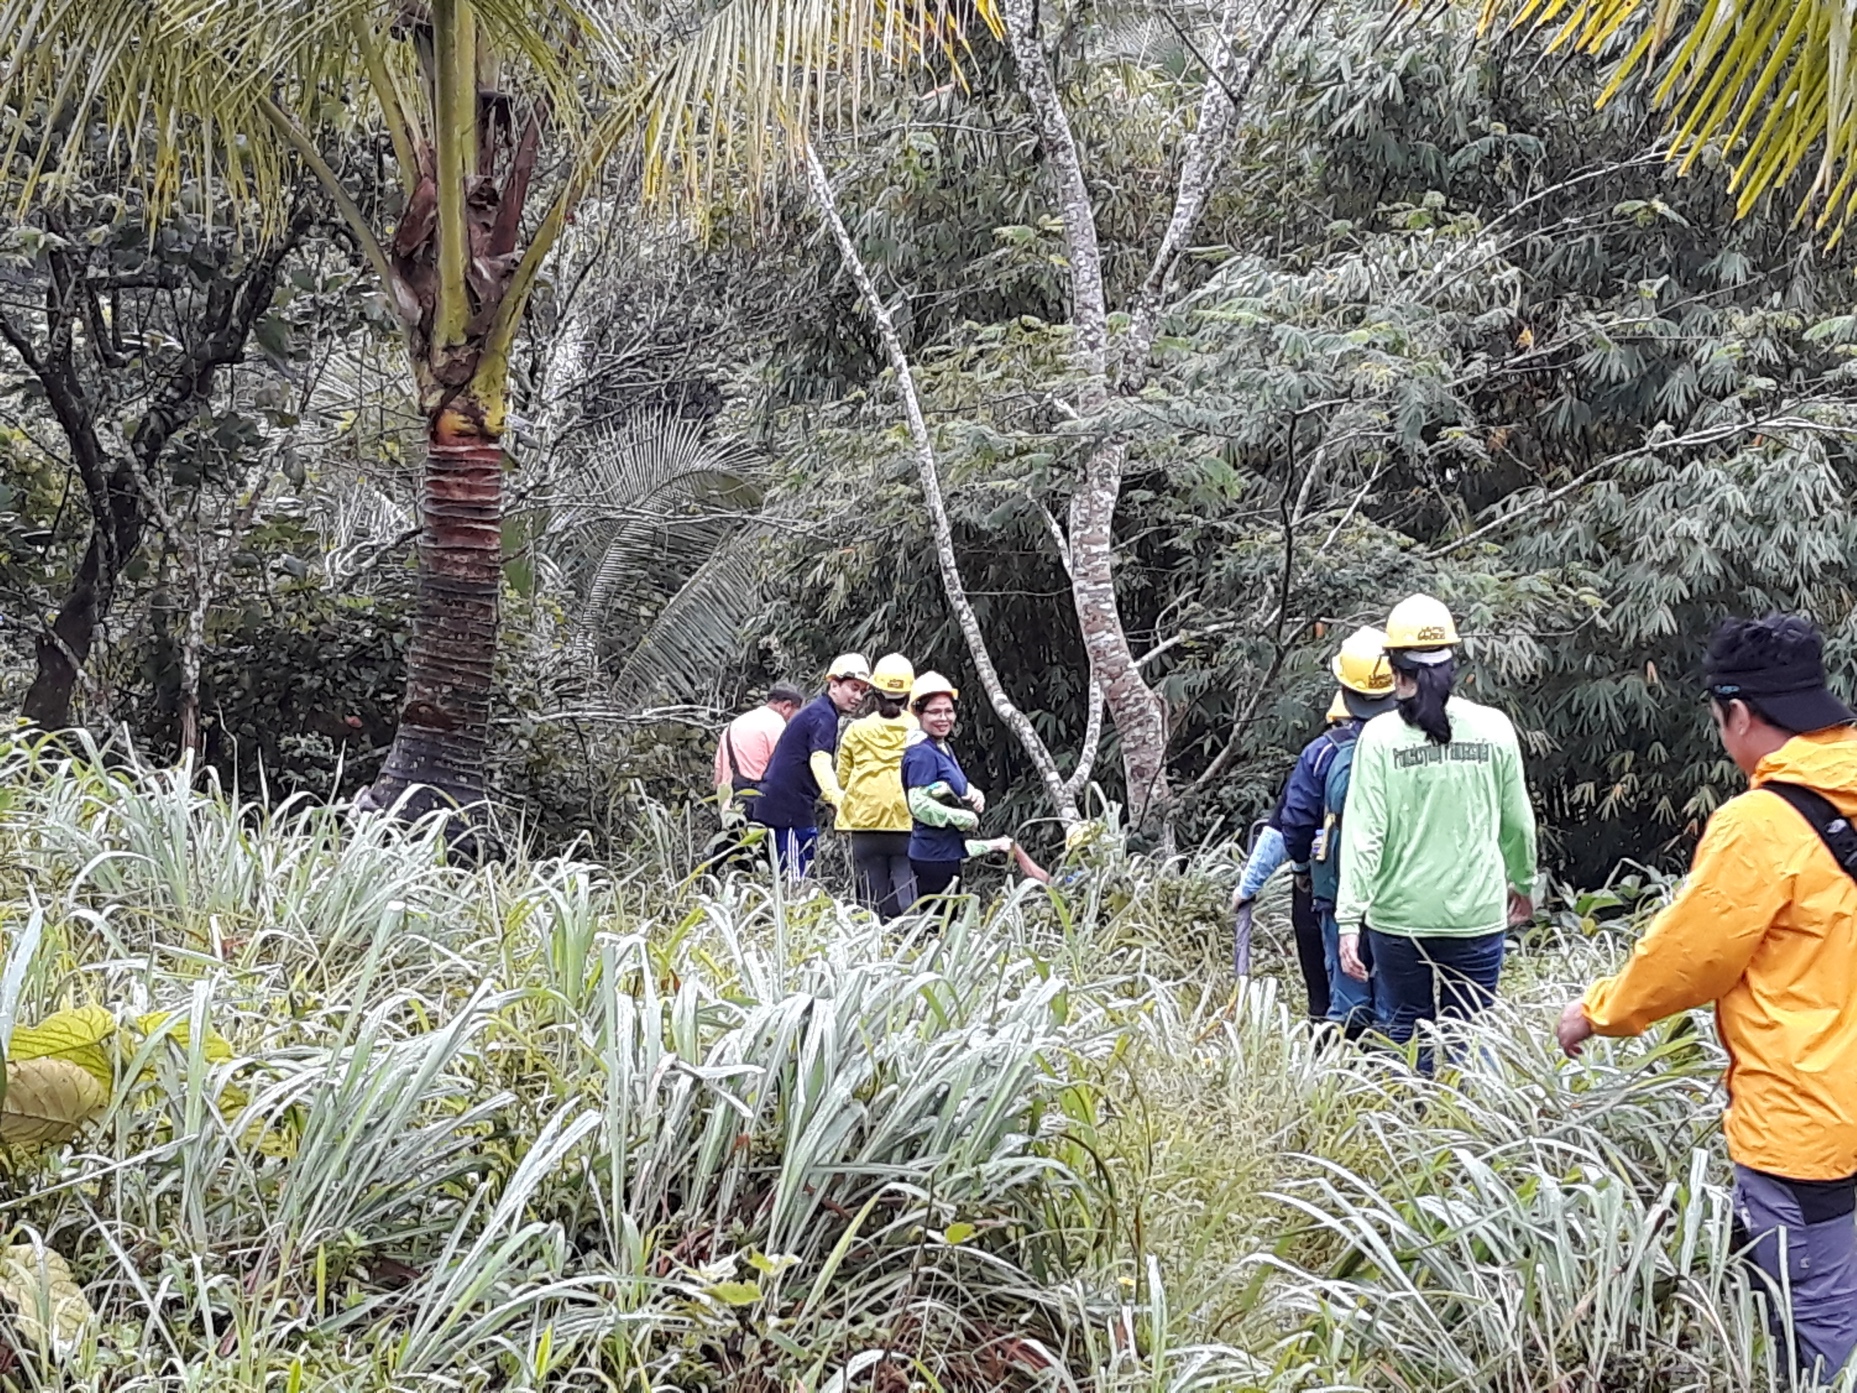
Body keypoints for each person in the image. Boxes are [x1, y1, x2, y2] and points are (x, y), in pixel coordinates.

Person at [1556, 615, 1857, 1380]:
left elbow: (1686, 958)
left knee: (1816, 1331)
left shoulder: (1758, 825)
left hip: (1806, 1122)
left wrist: (1595, 1011)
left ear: (1740, 714)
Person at [1335, 595, 1536, 1063]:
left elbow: (1364, 837)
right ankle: (1476, 1111)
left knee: (1405, 1027)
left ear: (1393, 668)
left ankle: (1413, 1108)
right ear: (1452, 664)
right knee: (1473, 1030)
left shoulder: (1379, 739)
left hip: (1398, 920)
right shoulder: (1494, 728)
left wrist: (1348, 920)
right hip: (1476, 916)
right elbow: (1517, 824)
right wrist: (1524, 883)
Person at [1234, 628, 1396, 1032]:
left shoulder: (1323, 752)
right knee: (1398, 996)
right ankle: (1397, 1059)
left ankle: (1335, 1055)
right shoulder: (1415, 744)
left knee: (1332, 992)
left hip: (1332, 893)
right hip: (1402, 893)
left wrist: (1265, 881)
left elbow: (1290, 827)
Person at [1231, 684, 1359, 1018]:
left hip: (1322, 888)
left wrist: (1249, 886)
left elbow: (1287, 827)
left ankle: (1325, 1040)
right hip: (1388, 892)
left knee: (1322, 993)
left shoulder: (1320, 754)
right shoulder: (1400, 746)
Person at [750, 654, 871, 881]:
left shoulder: (819, 712)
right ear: (834, 684)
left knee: (779, 878)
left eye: (863, 692)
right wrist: (838, 799)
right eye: (854, 688)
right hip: (787, 811)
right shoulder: (823, 716)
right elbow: (819, 761)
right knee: (794, 881)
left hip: (780, 806)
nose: (858, 697)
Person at [899, 672, 1005, 897]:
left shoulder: (941, 746)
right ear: (918, 712)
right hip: (932, 855)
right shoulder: (921, 754)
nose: (943, 718)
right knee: (939, 918)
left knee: (950, 916)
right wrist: (963, 818)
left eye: (948, 711)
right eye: (935, 712)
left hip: (948, 851)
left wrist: (972, 793)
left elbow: (952, 784)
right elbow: (918, 805)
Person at [836, 653, 921, 917]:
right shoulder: (918, 730)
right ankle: (912, 938)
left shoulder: (856, 731)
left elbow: (842, 779)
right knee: (909, 899)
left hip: (865, 825)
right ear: (908, 696)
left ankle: (874, 939)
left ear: (874, 693)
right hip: (907, 824)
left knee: (870, 904)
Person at [713, 682, 807, 822]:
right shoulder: (779, 727)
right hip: (763, 809)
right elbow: (788, 773)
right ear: (786, 706)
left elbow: (718, 778)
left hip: (731, 810)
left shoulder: (733, 725)